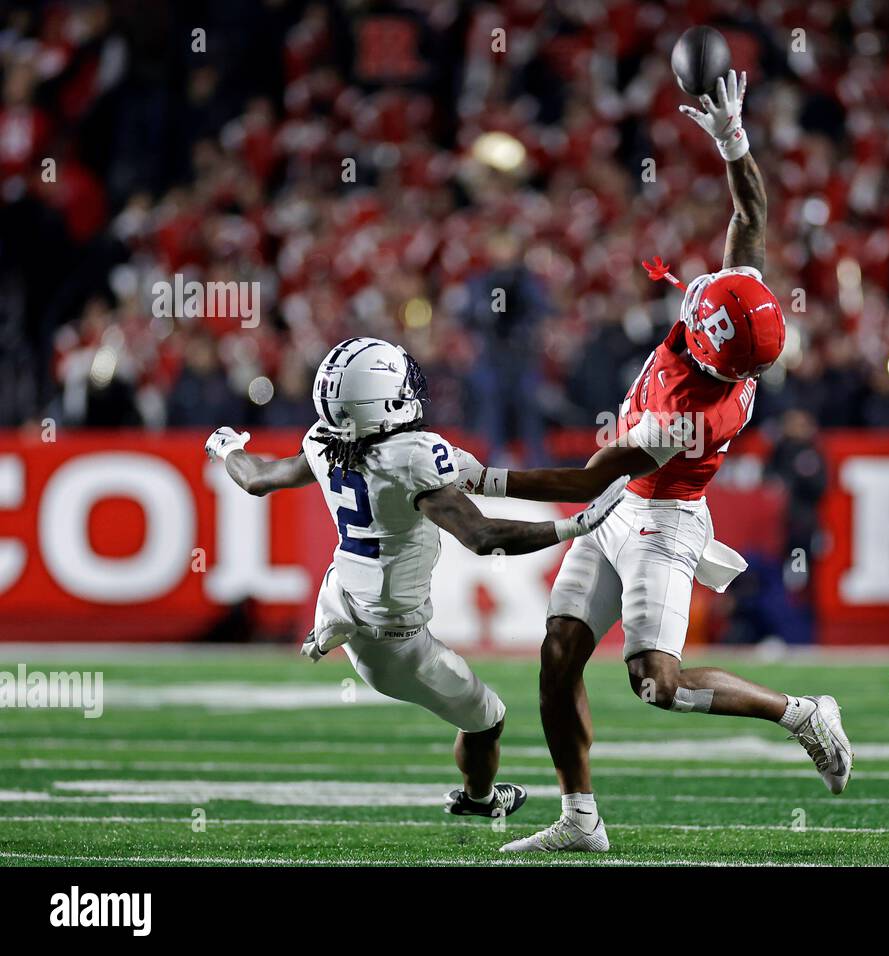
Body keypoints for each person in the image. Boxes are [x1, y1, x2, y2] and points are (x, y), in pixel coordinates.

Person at [455, 71, 853, 854]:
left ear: (720, 351)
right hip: (621, 501)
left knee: (655, 685)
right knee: (558, 654)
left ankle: (801, 713)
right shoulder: (737, 308)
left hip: (657, 518)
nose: (695, 302)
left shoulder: (696, 416)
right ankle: (580, 821)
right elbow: (752, 212)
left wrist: (480, 477)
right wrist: (733, 140)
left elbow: (586, 479)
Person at [204, 336, 627, 820]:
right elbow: (482, 536)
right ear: (382, 400)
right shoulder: (412, 456)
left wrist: (227, 448)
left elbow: (259, 478)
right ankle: (480, 800)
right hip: (394, 640)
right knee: (488, 718)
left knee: (361, 586)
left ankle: (330, 623)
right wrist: (571, 526)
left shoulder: (325, 440)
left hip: (345, 589)